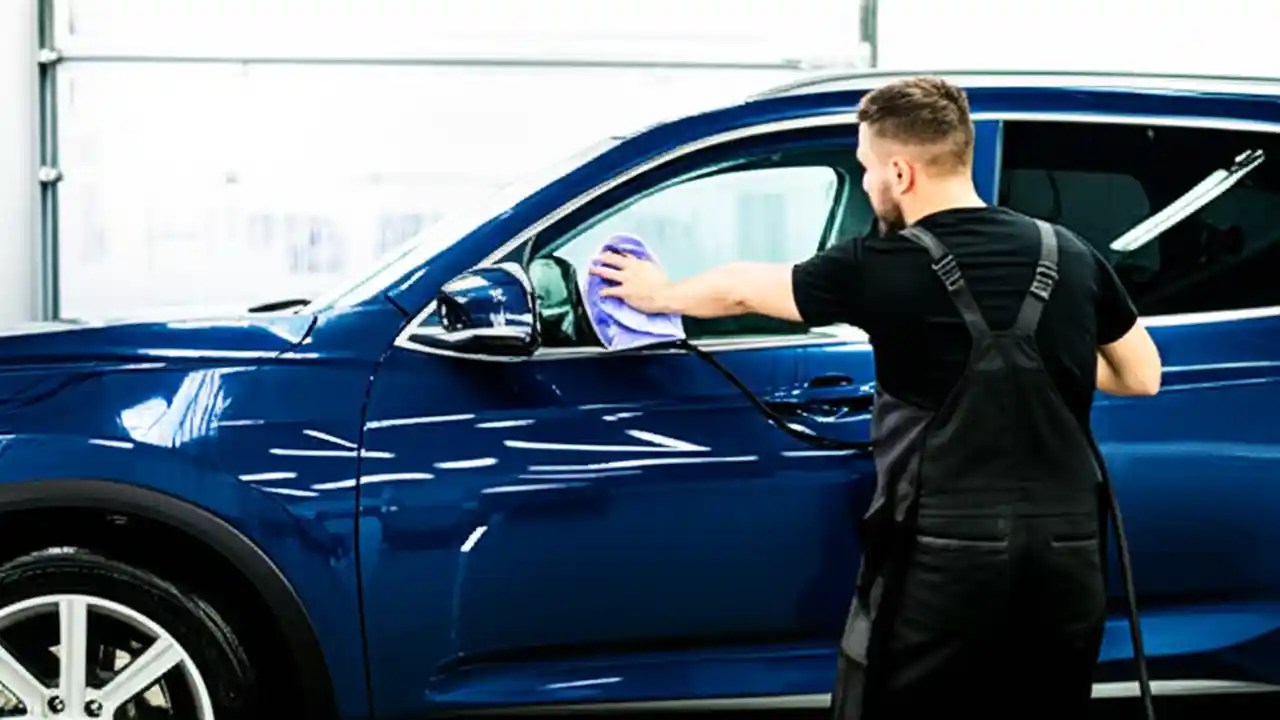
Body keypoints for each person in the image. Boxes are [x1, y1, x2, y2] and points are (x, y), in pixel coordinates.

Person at [588, 76, 1163, 719]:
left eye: (865, 169)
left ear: (900, 170)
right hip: (1067, 558)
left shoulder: (881, 265)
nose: (865, 183)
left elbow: (743, 290)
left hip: (945, 561)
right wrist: (1038, 361)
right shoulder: (1071, 254)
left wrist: (656, 295)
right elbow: (1142, 375)